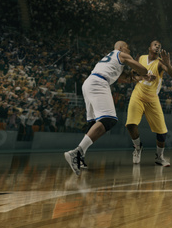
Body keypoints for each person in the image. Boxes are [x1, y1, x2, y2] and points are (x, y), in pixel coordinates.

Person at [64, 41, 151, 176]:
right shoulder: (121, 54)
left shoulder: (111, 60)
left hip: (89, 83)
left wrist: (140, 77)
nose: (129, 50)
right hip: (99, 83)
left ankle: (79, 158)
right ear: (121, 47)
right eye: (128, 47)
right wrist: (145, 73)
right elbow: (143, 69)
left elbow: (128, 78)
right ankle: (76, 152)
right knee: (109, 119)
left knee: (93, 123)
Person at [125, 40, 172, 167]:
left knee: (162, 132)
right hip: (137, 95)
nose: (158, 46)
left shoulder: (160, 62)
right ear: (149, 48)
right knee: (130, 125)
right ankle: (137, 148)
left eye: (159, 45)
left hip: (152, 98)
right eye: (155, 44)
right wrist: (138, 76)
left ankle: (159, 157)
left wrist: (168, 64)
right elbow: (131, 74)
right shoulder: (141, 58)